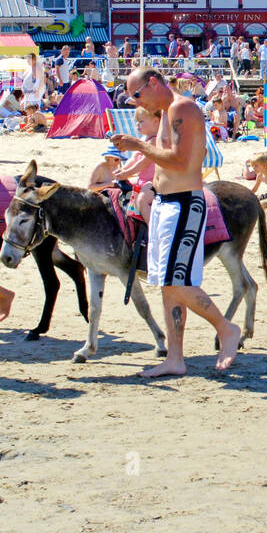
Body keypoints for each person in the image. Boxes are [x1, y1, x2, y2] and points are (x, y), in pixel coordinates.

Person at [110, 67, 242, 374]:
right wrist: (135, 166)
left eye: (138, 95)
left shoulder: (181, 108)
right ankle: (175, 358)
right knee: (168, 286)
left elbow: (180, 159)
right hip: (166, 201)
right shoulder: (167, 111)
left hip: (184, 203)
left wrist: (137, 145)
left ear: (153, 83)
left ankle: (226, 328)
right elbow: (161, 155)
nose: (137, 103)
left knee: (176, 282)